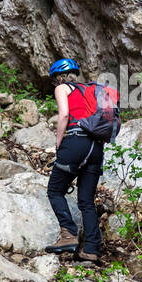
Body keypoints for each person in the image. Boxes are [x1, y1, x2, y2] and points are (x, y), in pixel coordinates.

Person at [45, 57, 107, 262]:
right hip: (96, 147)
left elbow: (64, 115)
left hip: (75, 141)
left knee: (55, 190)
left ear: (58, 77)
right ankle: (91, 249)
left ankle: (68, 235)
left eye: (55, 80)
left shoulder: (63, 88)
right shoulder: (89, 91)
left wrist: (58, 142)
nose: (55, 84)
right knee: (87, 202)